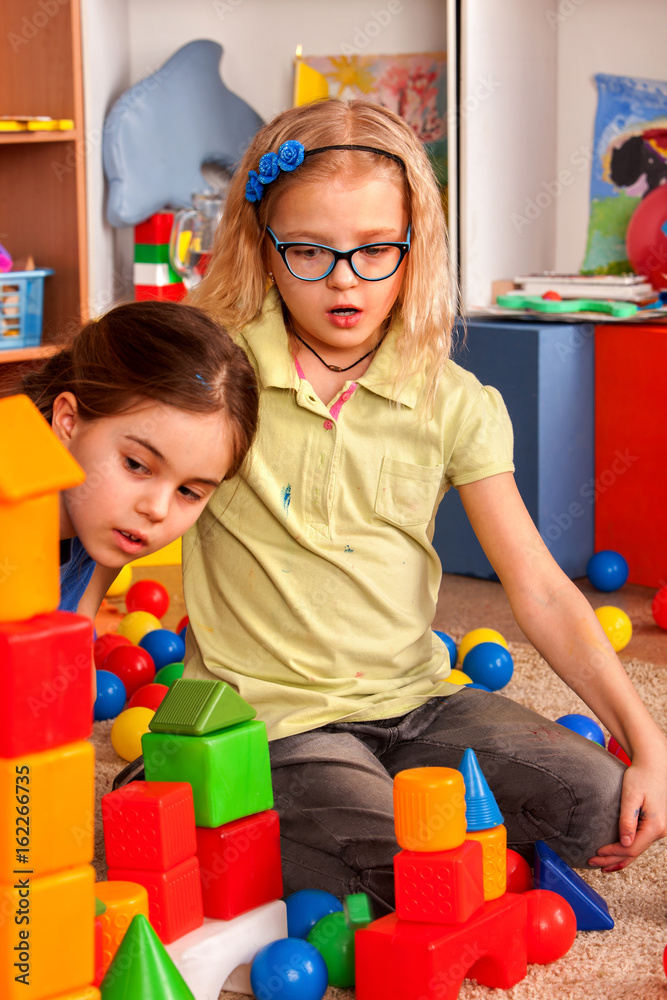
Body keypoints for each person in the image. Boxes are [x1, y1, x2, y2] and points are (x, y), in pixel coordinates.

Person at [185, 98, 667, 913]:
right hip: (280, 721)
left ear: (415, 250)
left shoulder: (453, 401)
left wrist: (647, 741)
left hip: (416, 705)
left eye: (375, 250)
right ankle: (305, 826)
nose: (344, 279)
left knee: (597, 802)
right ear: (263, 251)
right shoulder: (215, 374)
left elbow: (542, 588)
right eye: (309, 251)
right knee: (410, 873)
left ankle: (368, 817)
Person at [19, 300, 258, 619]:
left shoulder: (106, 533)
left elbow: (77, 638)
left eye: (188, 492)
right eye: (136, 465)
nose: (156, 510)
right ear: (69, 422)